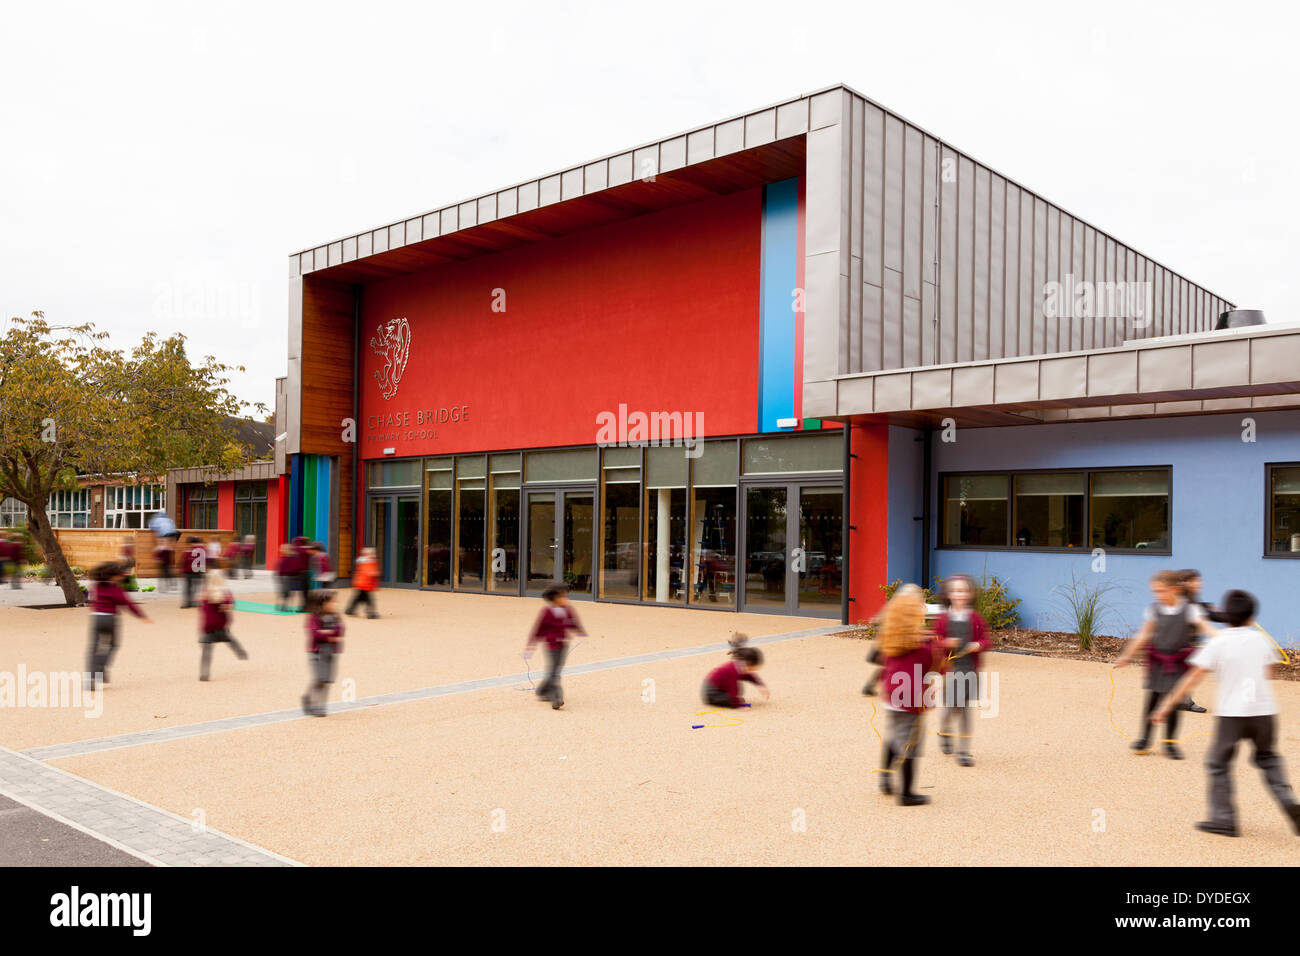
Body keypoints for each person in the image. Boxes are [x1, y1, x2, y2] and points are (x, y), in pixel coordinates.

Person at [1153, 590, 1300, 838]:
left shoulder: (1218, 641)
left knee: (1218, 764)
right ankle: (1288, 802)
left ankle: (1224, 820)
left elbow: (1192, 678)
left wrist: (1167, 705)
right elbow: (1270, 674)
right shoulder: (1261, 640)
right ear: (1252, 618)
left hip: (1232, 715)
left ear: (1224, 616)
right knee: (1268, 758)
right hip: (1264, 712)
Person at [1114, 569, 1216, 758]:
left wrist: (1224, 640)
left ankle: (1170, 743)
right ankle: (1145, 738)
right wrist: (1127, 655)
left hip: (1178, 661)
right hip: (1159, 661)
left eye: (1161, 591)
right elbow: (1144, 634)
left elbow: (1207, 628)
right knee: (1152, 700)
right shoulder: (1154, 609)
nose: (1157, 595)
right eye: (1155, 592)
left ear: (1175, 589)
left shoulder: (1190, 610)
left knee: (1174, 702)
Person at [877, 584, 944, 806]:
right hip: (912, 698)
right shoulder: (924, 645)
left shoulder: (892, 638)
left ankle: (885, 776)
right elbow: (937, 667)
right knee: (910, 744)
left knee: (895, 735)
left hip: (892, 693)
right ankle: (906, 793)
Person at [933, 574, 991, 767]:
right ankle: (945, 730)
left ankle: (964, 751)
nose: (960, 594)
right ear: (949, 594)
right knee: (950, 708)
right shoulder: (943, 618)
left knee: (965, 709)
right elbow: (935, 641)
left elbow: (986, 640)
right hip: (951, 670)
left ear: (970, 594)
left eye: (964, 590)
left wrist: (978, 644)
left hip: (970, 669)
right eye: (956, 590)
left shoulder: (975, 617)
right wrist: (945, 643)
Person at [86, 561, 150, 689]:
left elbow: (92, 599)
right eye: (119, 575)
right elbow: (127, 603)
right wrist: (141, 616)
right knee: (114, 644)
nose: (121, 577)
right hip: (111, 619)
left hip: (97, 618)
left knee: (93, 648)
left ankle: (92, 677)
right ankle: (102, 667)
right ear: (113, 576)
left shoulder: (96, 586)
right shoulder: (115, 589)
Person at [524, 584, 586, 710]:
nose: (565, 598)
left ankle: (541, 690)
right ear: (554, 598)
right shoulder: (547, 612)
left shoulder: (567, 609)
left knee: (556, 669)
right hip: (551, 646)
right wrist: (531, 646)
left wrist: (579, 631)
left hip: (563, 644)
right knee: (555, 672)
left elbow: (573, 622)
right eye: (562, 596)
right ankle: (557, 698)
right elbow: (539, 629)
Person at [197, 568, 248, 681]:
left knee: (206, 651)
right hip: (221, 624)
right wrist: (225, 606)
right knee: (229, 639)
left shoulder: (205, 593)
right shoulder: (225, 593)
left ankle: (204, 674)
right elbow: (230, 604)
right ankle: (240, 652)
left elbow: (202, 608)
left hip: (208, 625)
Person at [302, 590, 344, 716]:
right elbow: (315, 634)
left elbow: (340, 631)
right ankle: (313, 702)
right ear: (322, 603)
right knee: (319, 679)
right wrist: (329, 636)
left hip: (331, 653)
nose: (335, 604)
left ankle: (321, 704)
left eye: (335, 601)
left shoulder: (336, 617)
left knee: (327, 679)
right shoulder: (314, 617)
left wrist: (326, 633)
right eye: (332, 602)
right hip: (317, 653)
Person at [1176, 569, 1211, 714]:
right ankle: (1182, 701)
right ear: (1186, 583)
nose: (1199, 584)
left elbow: (1199, 610)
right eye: (1196, 581)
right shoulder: (1181, 600)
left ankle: (1181, 700)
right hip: (1180, 643)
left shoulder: (1191, 598)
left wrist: (1208, 608)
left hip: (1190, 643)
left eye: (1199, 581)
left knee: (1188, 672)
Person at [702, 634, 769, 708]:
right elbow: (733, 688)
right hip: (711, 692)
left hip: (719, 687)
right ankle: (731, 702)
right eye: (754, 667)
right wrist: (739, 705)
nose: (755, 669)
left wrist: (760, 685)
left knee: (738, 695)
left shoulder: (741, 666)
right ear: (749, 663)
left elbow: (750, 676)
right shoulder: (733, 670)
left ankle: (733, 701)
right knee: (733, 699)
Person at [345, 547, 379, 618]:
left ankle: (350, 610)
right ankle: (370, 613)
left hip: (363, 584)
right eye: (371, 554)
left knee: (358, 598)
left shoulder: (369, 561)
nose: (373, 555)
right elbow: (368, 571)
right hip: (363, 584)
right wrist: (373, 573)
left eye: (373, 553)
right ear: (366, 554)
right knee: (368, 599)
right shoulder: (366, 562)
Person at [180, 536, 207, 609]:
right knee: (193, 588)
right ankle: (191, 602)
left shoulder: (190, 551)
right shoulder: (201, 550)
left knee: (190, 588)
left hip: (191, 572)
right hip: (194, 572)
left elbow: (184, 562)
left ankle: (189, 602)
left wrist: (182, 570)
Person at [277, 543, 303, 612]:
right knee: (290, 593)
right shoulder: (295, 558)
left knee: (286, 592)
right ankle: (286, 606)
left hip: (288, 577)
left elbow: (281, 569)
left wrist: (281, 576)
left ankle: (284, 606)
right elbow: (299, 567)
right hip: (293, 576)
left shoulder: (285, 559)